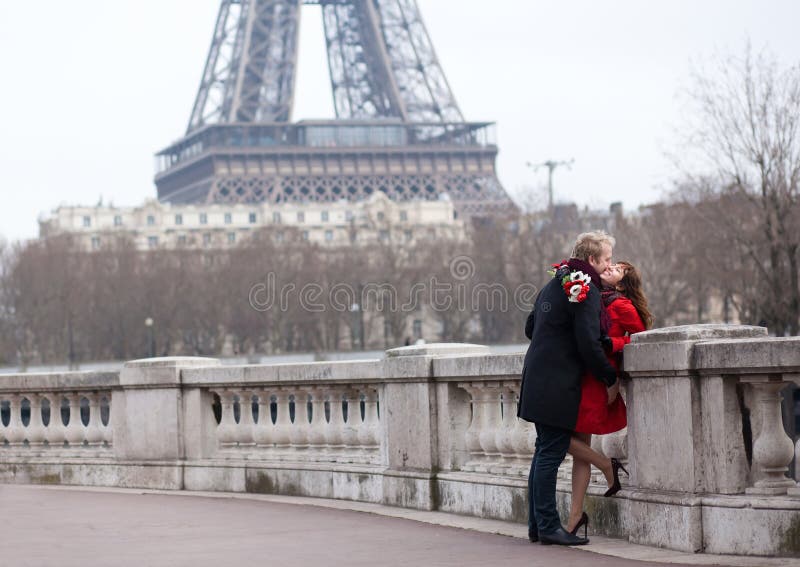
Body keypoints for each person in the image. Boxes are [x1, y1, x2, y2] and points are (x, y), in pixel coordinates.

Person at [519, 231, 619, 546]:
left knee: (543, 451)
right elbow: (589, 343)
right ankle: (548, 527)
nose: (609, 265)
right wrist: (609, 377)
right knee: (550, 452)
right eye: (606, 259)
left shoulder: (554, 285)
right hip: (557, 383)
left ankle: (538, 526)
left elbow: (530, 327)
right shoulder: (583, 290)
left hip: (537, 376)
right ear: (592, 260)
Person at [565, 260, 653, 538]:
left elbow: (644, 339)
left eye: (618, 269)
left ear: (623, 283)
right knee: (578, 448)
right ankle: (576, 516)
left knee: (562, 440)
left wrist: (614, 344)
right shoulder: (590, 295)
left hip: (597, 381)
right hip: (581, 376)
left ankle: (579, 509)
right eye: (611, 263)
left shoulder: (622, 305)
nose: (610, 267)